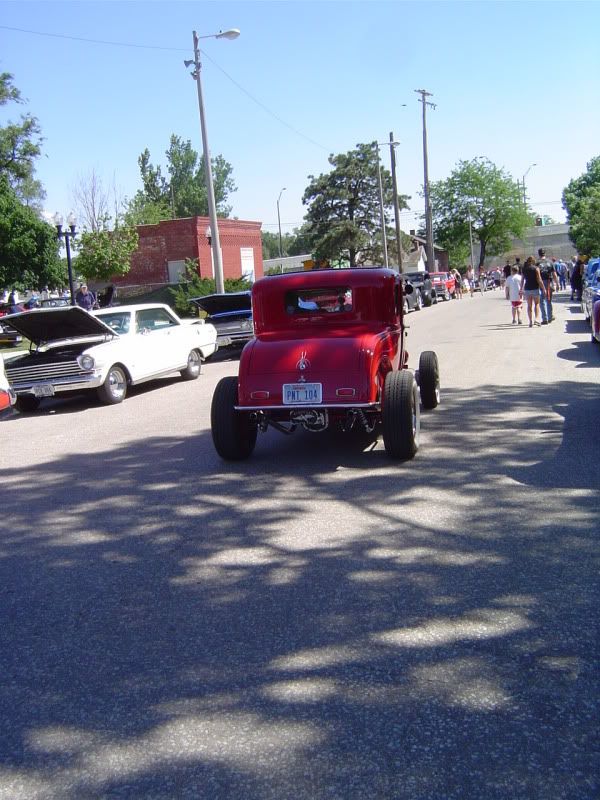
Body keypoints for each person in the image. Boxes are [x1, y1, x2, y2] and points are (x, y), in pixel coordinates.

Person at [521, 256, 545, 327]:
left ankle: (530, 321)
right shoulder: (536, 268)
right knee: (537, 304)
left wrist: (521, 289)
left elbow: (522, 280)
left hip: (527, 288)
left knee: (529, 305)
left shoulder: (524, 269)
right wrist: (543, 288)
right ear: (533, 261)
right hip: (535, 288)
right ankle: (536, 319)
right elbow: (539, 279)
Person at [537, 248, 558, 324]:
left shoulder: (537, 263)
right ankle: (550, 317)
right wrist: (557, 283)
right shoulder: (550, 262)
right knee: (549, 300)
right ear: (545, 254)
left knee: (541, 301)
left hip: (540, 282)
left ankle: (544, 318)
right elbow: (554, 274)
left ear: (539, 254)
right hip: (549, 282)